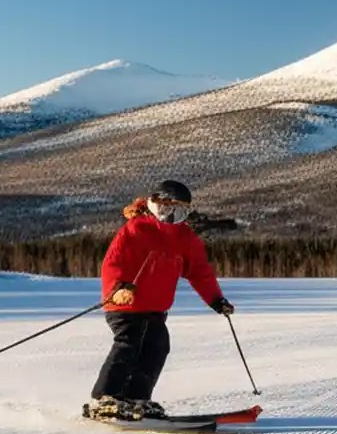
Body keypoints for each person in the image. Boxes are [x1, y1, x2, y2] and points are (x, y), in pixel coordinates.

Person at [87, 180, 234, 420]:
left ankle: (136, 399)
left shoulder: (184, 238)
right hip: (126, 303)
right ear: (153, 204)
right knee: (129, 342)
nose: (170, 217)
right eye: (165, 210)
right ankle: (104, 398)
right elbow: (113, 262)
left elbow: (199, 272)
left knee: (157, 346)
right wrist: (118, 288)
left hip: (155, 308)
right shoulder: (137, 229)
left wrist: (216, 300)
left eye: (178, 212)